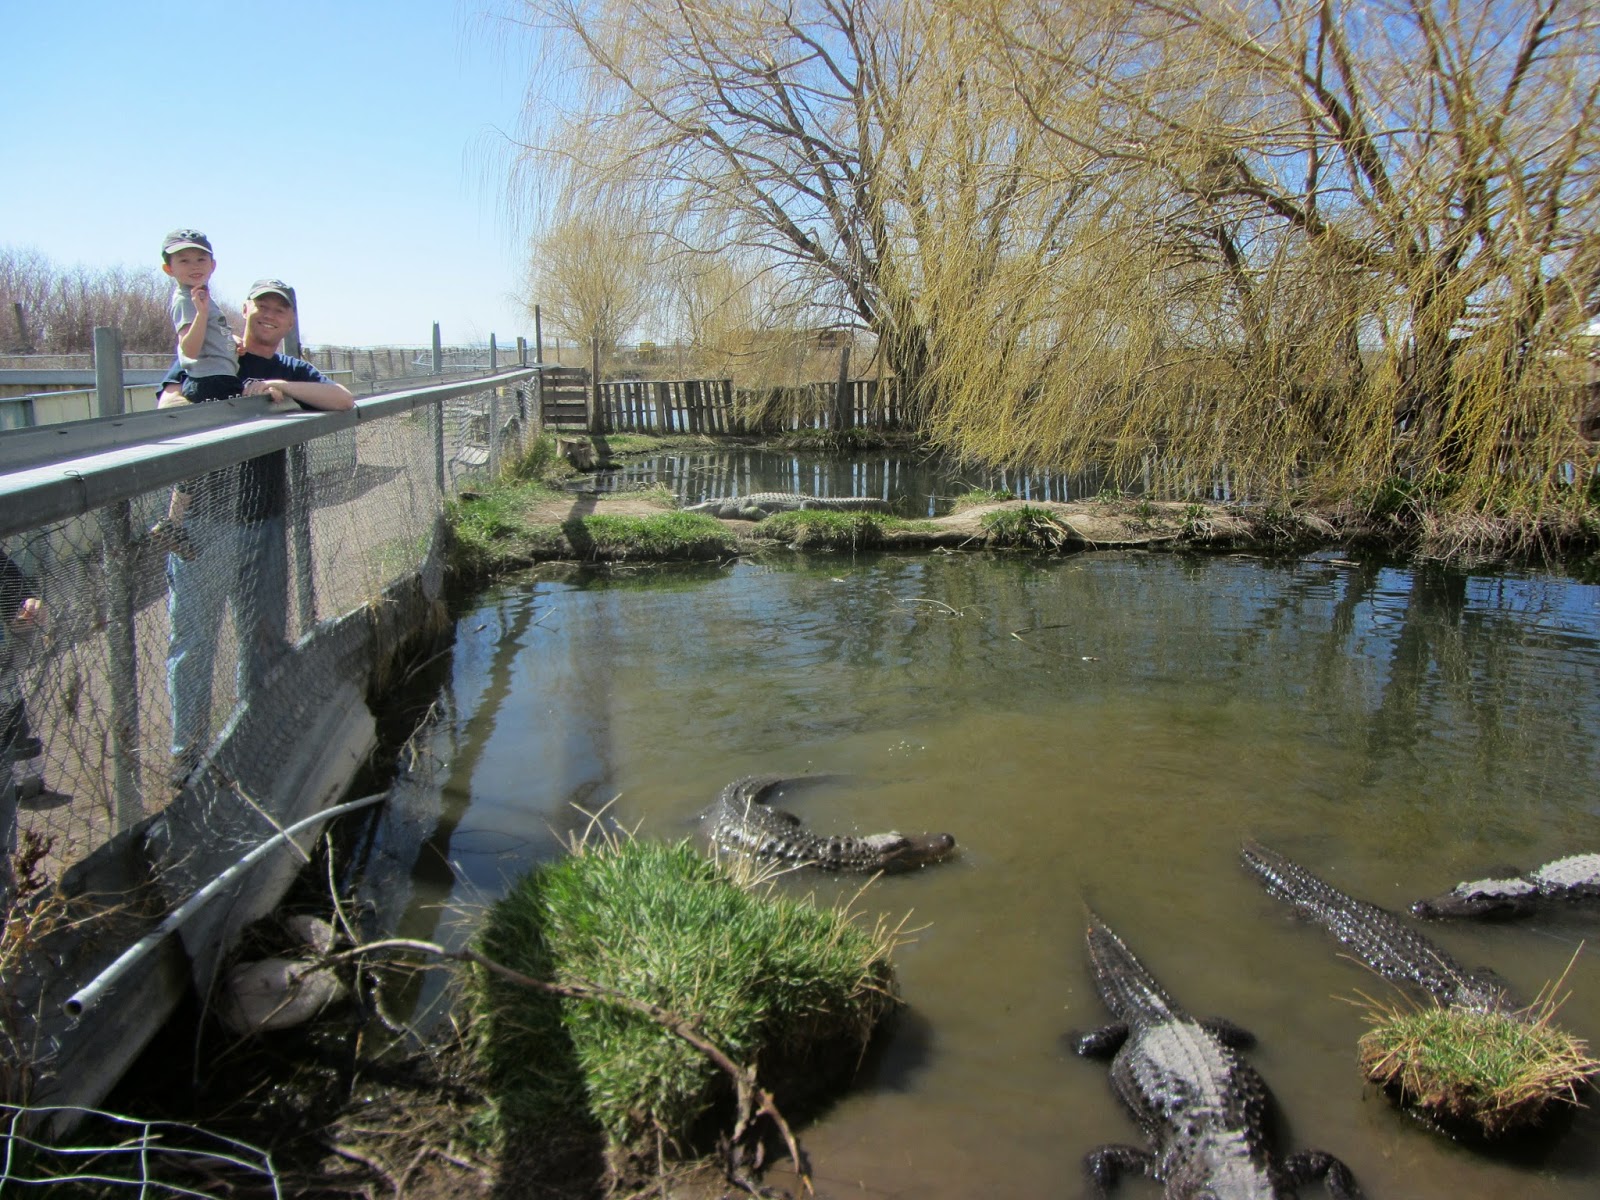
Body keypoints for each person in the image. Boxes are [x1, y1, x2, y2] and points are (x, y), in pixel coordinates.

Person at [154, 279, 354, 784]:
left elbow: (341, 399)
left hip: (263, 520)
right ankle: (188, 755)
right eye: (261, 305)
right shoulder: (215, 357)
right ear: (244, 310)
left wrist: (279, 392)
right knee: (195, 638)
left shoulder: (288, 369)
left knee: (262, 633)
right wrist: (227, 405)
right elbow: (168, 403)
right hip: (203, 522)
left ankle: (252, 733)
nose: (269, 315)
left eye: (279, 309)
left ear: (289, 322)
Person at [161, 229, 241, 403]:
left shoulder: (201, 297)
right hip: (208, 381)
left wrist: (231, 340)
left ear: (213, 265)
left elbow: (207, 334)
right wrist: (202, 314)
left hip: (222, 377)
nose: (194, 266)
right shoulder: (186, 300)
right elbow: (189, 349)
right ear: (169, 269)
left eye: (201, 259)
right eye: (184, 261)